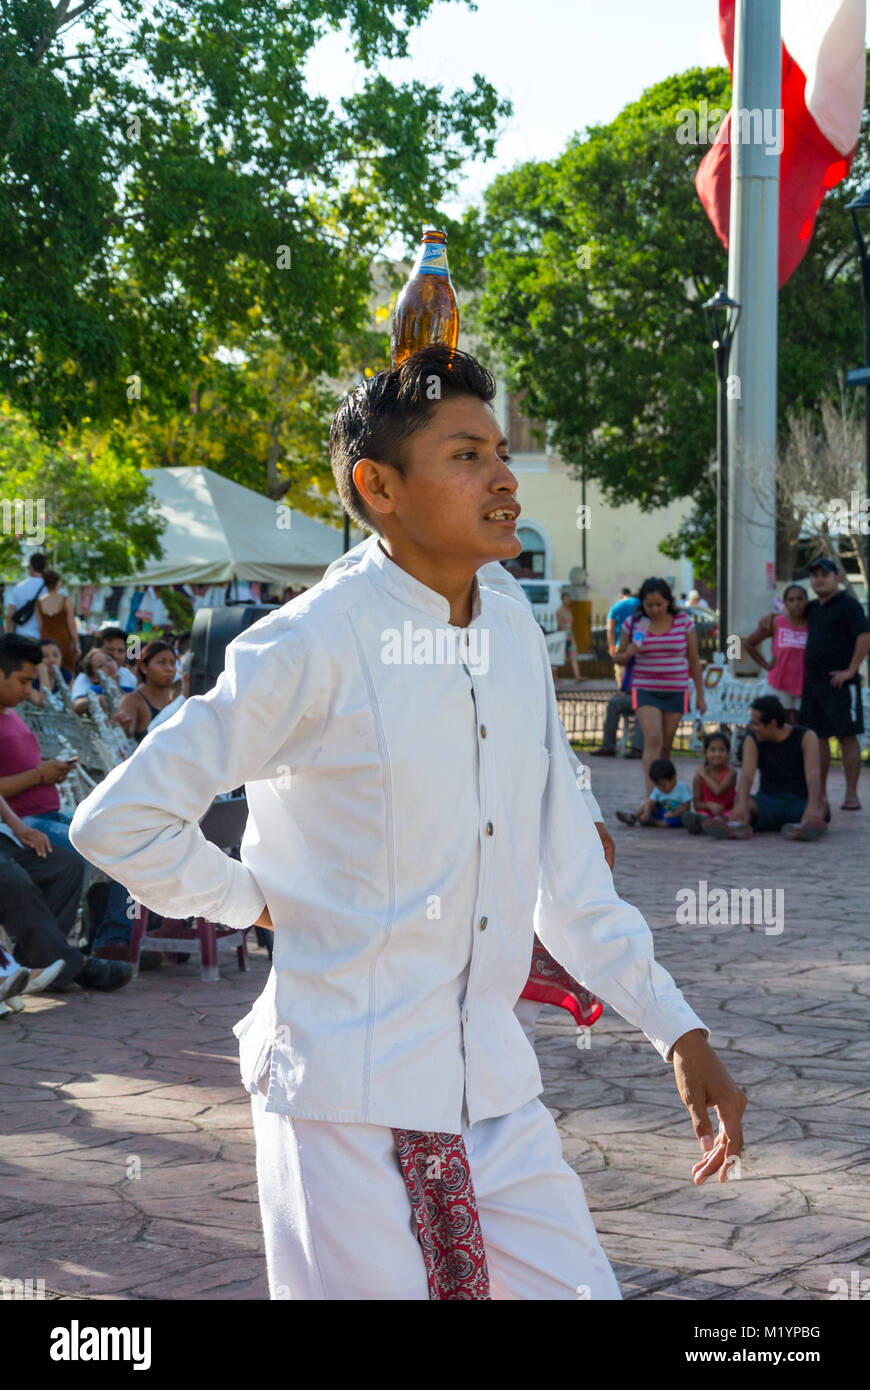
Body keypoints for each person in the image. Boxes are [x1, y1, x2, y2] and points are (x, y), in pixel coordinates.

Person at [69, 347, 744, 1303]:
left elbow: (568, 882)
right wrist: (257, 904)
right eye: (466, 455)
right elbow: (118, 821)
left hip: (493, 1089)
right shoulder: (308, 642)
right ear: (376, 485)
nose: (505, 477)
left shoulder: (511, 629)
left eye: (500, 450)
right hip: (338, 1092)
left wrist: (678, 1031)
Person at [0, 633, 137, 960]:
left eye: (31, 681)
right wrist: (38, 776)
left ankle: (97, 943)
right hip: (24, 821)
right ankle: (66, 954)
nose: (26, 690)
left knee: (124, 841)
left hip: (50, 813)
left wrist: (50, 770)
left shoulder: (11, 712)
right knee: (91, 854)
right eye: (22, 681)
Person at [613, 577, 706, 793]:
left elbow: (693, 659)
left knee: (665, 746)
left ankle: (663, 794)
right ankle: (649, 797)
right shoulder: (634, 623)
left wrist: (700, 695)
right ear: (642, 604)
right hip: (645, 688)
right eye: (649, 605)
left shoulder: (684, 622)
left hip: (676, 689)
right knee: (653, 739)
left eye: (659, 604)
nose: (654, 609)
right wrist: (628, 654)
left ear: (668, 602)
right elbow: (618, 657)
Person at [797, 559, 870, 813]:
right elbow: (790, 615)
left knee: (847, 737)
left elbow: (864, 636)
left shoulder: (849, 605)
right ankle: (821, 794)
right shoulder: (813, 607)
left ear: (836, 577)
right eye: (814, 575)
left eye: (824, 575)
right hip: (813, 685)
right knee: (818, 738)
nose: (818, 579)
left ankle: (851, 796)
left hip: (841, 685)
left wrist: (851, 670)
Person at [702, 695, 827, 841]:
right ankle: (737, 825)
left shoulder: (806, 736)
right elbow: (747, 776)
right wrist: (741, 805)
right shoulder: (753, 739)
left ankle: (806, 826)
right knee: (743, 802)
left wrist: (812, 806)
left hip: (800, 801)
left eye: (755, 724)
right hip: (768, 801)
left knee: (821, 804)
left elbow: (813, 774)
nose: (751, 727)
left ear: (772, 724)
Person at [741, 585, 808, 723]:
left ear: (806, 601)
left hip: (805, 685)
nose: (796, 603)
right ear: (786, 603)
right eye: (791, 600)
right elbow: (749, 643)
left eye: (800, 599)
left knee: (800, 728)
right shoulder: (777, 623)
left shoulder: (813, 622)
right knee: (779, 725)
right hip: (779, 683)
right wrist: (765, 665)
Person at [114, 640, 179, 743]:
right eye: (162, 662)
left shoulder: (178, 698)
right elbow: (125, 738)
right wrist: (124, 727)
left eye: (172, 663)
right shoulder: (132, 700)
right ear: (144, 667)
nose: (169, 669)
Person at [683, 732, 737, 834]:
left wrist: (704, 775)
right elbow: (697, 804)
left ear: (728, 753)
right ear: (705, 752)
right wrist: (708, 805)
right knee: (702, 817)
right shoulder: (698, 778)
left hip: (726, 811)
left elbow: (718, 791)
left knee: (732, 817)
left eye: (721, 750)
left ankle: (714, 826)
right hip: (706, 812)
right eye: (713, 750)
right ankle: (704, 824)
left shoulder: (731, 773)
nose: (717, 754)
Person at [616, 758, 692, 828]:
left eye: (663, 785)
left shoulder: (682, 788)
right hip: (662, 812)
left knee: (675, 821)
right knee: (647, 801)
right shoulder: (658, 789)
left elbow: (686, 806)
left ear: (674, 778)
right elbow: (650, 801)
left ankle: (654, 823)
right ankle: (634, 817)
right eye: (657, 785)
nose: (660, 788)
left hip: (676, 815)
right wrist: (647, 813)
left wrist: (673, 814)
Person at [34, 570, 80, 673]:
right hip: (63, 641)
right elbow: (71, 625)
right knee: (67, 671)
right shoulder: (66, 600)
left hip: (45, 640)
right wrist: (77, 644)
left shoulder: (39, 602)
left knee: (46, 671)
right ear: (58, 583)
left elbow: (40, 626)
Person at [4, 553, 47, 640]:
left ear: (30, 567)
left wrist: (10, 639)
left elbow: (10, 616)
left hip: (20, 637)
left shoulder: (18, 587)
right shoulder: (48, 588)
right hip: (42, 638)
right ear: (45, 568)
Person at [92, 626, 138, 691]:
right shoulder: (85, 680)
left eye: (121, 651)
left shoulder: (128, 675)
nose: (116, 656)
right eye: (110, 650)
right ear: (95, 651)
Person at [555, 588, 581, 683]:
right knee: (559, 657)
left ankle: (577, 676)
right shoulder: (560, 611)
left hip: (570, 635)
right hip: (563, 636)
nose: (568, 600)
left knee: (573, 656)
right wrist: (566, 635)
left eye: (568, 598)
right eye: (566, 598)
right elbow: (561, 624)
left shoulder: (569, 610)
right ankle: (555, 676)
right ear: (562, 599)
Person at [605, 587, 640, 654]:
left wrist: (612, 649)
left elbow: (610, 630)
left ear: (621, 595)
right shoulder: (639, 602)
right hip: (639, 644)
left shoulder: (615, 607)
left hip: (621, 646)